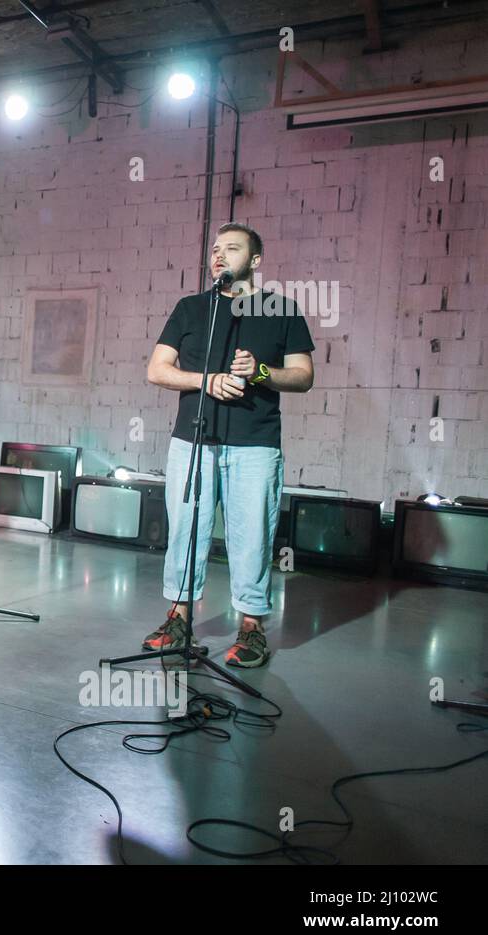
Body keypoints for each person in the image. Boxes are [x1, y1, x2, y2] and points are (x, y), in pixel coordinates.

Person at [142, 222, 315, 668]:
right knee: (186, 531)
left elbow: (303, 376)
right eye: (215, 249)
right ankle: (178, 620)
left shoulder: (283, 310)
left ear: (255, 261)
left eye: (231, 249)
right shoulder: (191, 308)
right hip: (193, 440)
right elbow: (158, 370)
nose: (218, 255)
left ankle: (252, 628)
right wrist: (208, 380)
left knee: (252, 537)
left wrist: (261, 373)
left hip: (255, 445)